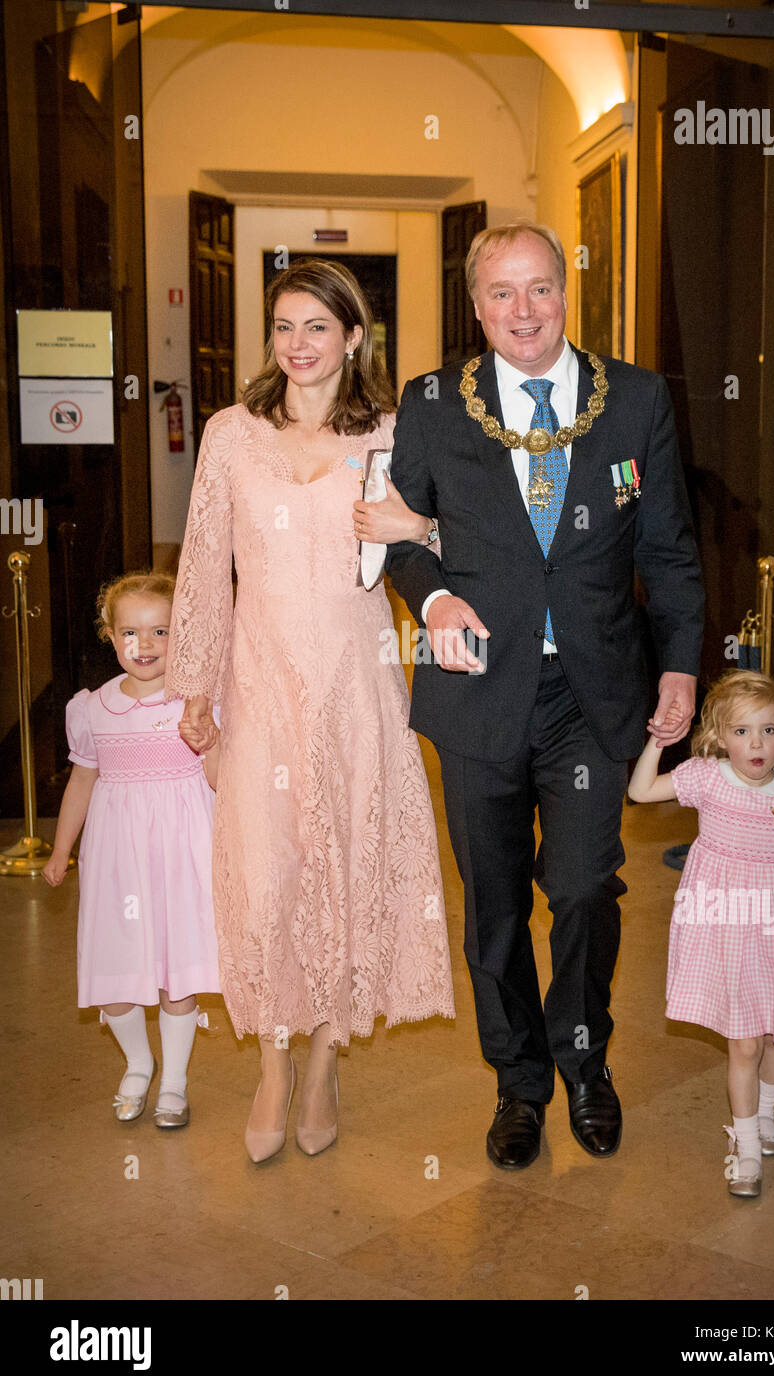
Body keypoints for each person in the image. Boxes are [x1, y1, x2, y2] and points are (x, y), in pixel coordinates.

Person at [384, 222, 704, 1169]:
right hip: (478, 691)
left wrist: (682, 661)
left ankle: (584, 1063)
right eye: (500, 293)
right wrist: (434, 594)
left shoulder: (635, 397)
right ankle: (517, 1084)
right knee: (492, 905)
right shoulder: (435, 404)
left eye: (540, 290)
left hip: (591, 693)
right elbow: (399, 534)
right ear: (474, 303)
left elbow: (670, 548)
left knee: (579, 889)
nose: (524, 313)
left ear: (568, 292)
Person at [164, 257, 454, 1164]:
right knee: (268, 868)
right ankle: (272, 1062)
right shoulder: (230, 433)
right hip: (259, 678)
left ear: (354, 338)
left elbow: (455, 539)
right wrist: (197, 686)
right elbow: (205, 561)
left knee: (352, 863)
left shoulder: (397, 437)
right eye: (284, 327)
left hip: (357, 676)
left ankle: (328, 1056)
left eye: (317, 328)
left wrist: (422, 529)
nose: (298, 346)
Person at [629, 670, 774, 1197]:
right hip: (723, 921)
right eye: (741, 732)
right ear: (720, 738)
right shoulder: (709, 778)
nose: (755, 744)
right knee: (744, 1042)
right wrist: (658, 740)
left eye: (767, 730)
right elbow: (641, 789)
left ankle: (766, 1115)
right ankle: (744, 1150)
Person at [42, 572, 220, 1128]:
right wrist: (59, 850)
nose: (144, 645)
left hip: (181, 852)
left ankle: (175, 1081)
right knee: (116, 971)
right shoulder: (92, 709)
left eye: (160, 631)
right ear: (110, 636)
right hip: (119, 859)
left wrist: (211, 740)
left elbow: (219, 777)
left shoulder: (194, 705)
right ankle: (138, 1065)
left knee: (175, 971)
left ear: (182, 635)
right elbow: (81, 783)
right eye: (130, 633)